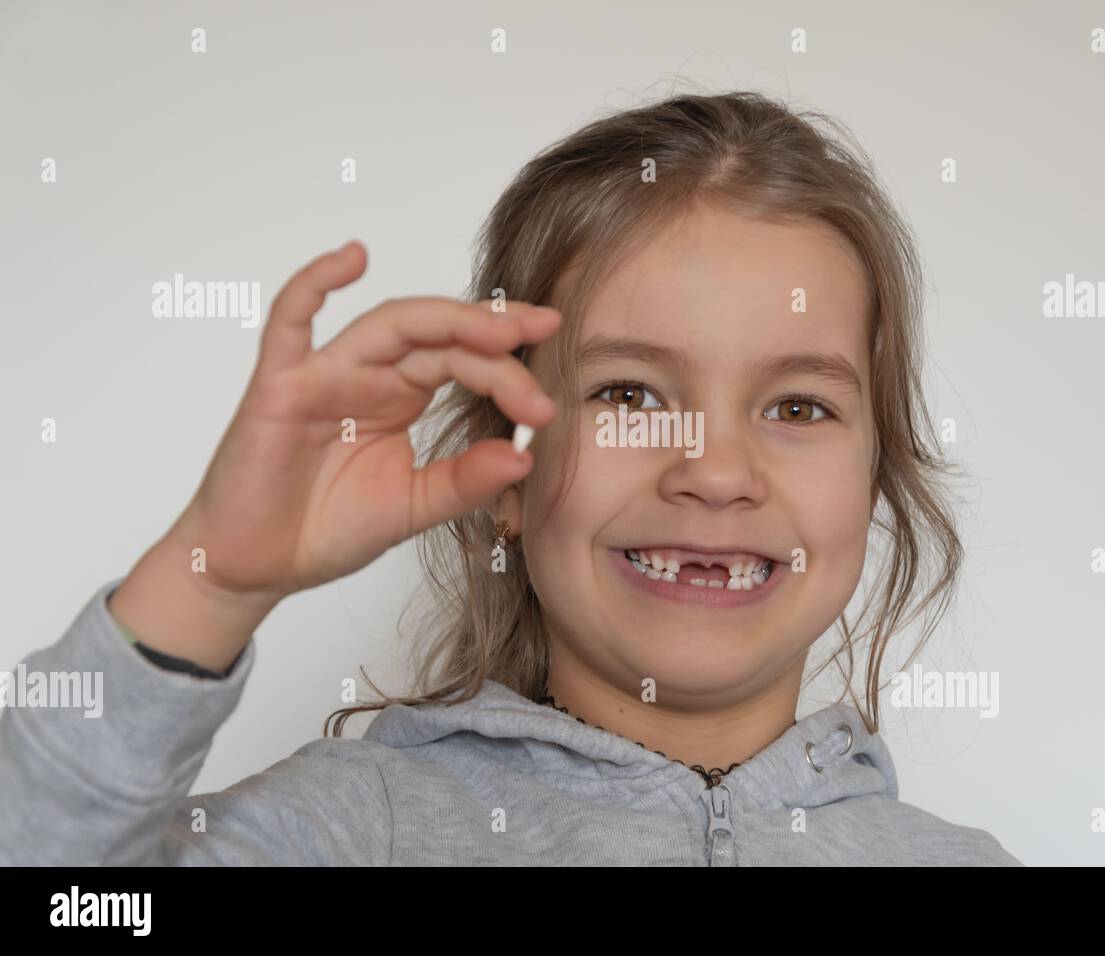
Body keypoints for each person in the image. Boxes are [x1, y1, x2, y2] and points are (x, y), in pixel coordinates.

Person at [0, 91, 1021, 866]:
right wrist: (212, 581)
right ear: (506, 470)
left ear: (877, 477)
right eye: (628, 393)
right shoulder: (359, 828)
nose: (714, 471)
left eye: (798, 406)